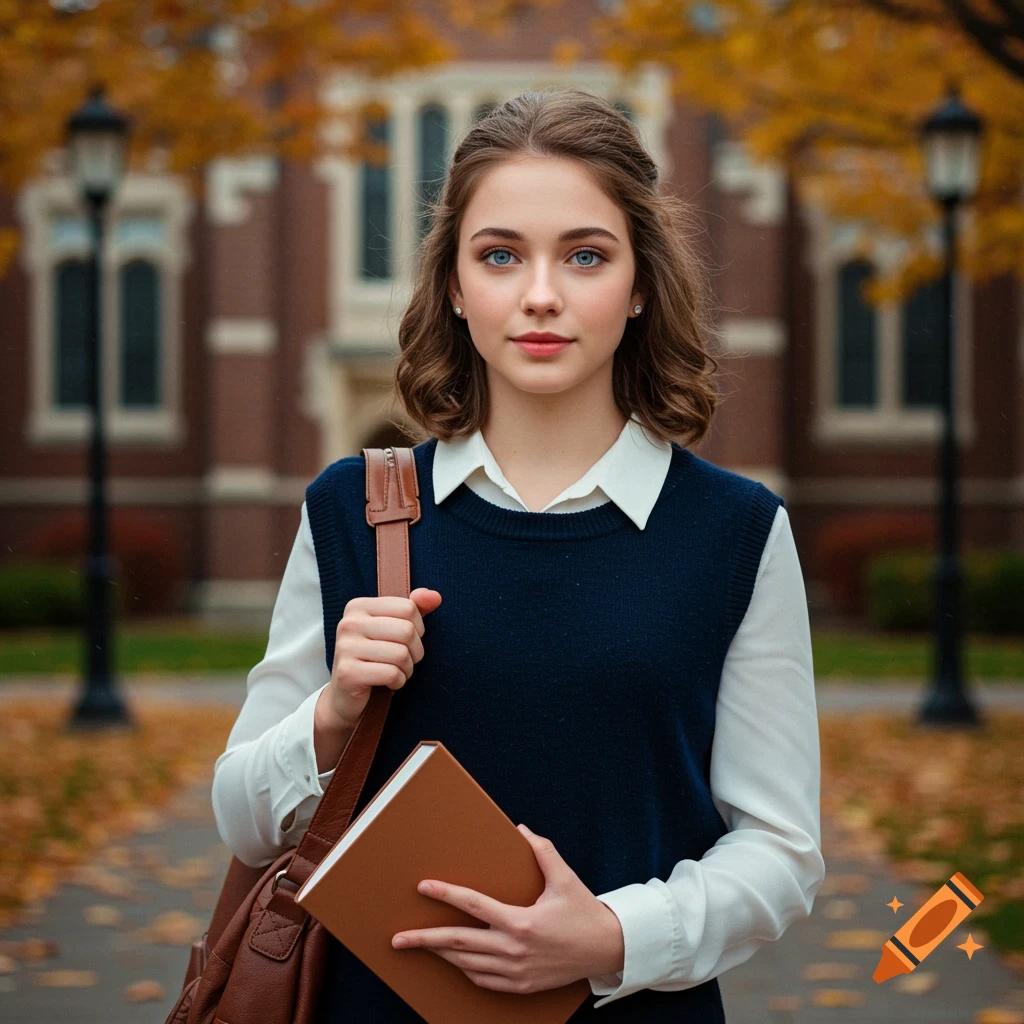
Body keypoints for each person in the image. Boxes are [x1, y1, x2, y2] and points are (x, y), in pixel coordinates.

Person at [211, 87, 825, 1022]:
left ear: (641, 283)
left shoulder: (734, 532)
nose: (541, 294)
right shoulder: (351, 511)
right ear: (455, 286)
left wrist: (613, 938)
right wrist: (331, 712)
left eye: (586, 255)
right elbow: (243, 819)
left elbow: (781, 853)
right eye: (500, 255)